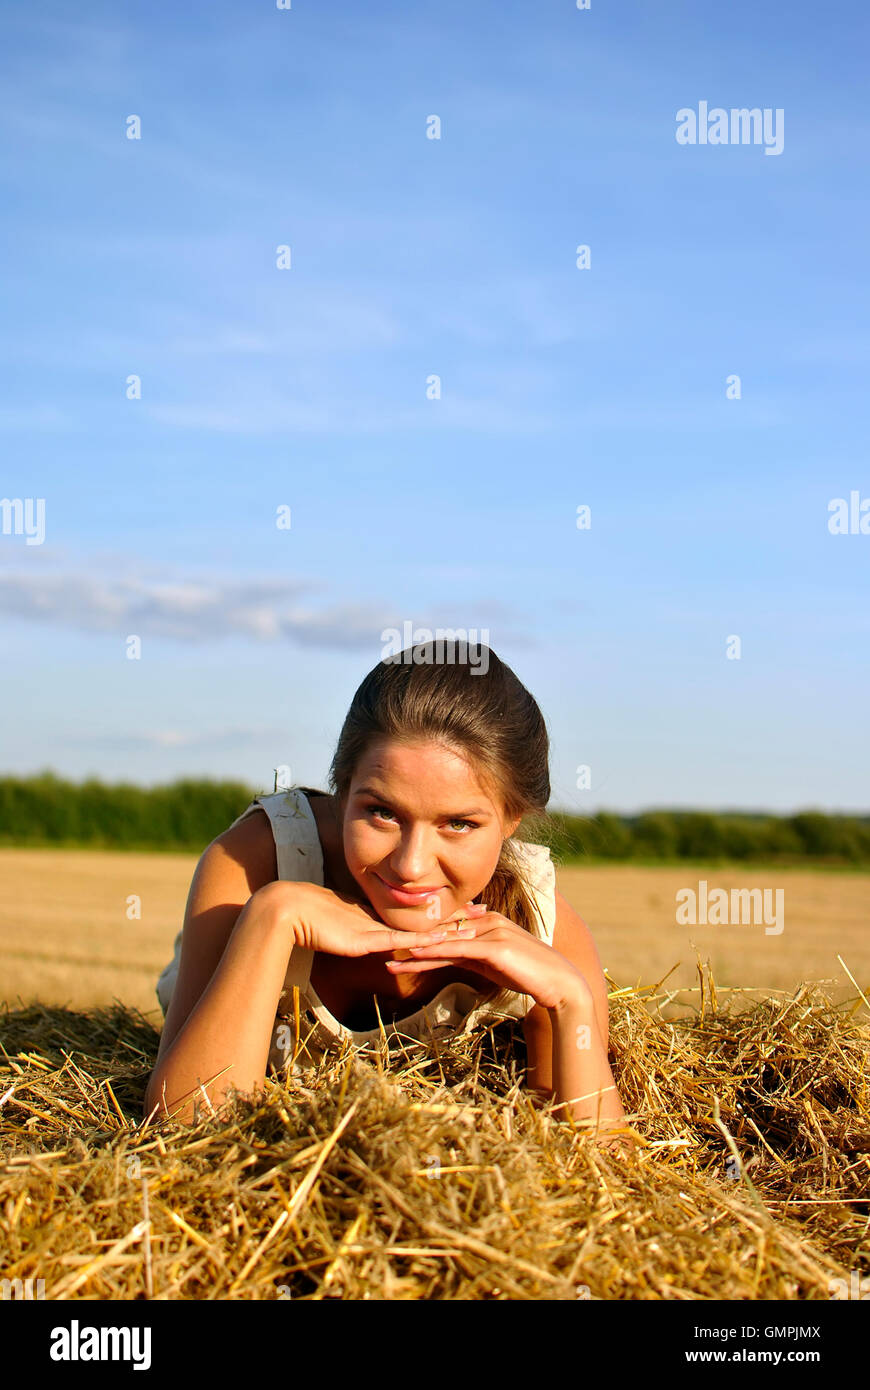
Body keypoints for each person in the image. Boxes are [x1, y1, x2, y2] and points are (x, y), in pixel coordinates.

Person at [144, 642, 629, 1143]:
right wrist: (273, 916)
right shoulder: (256, 863)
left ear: (512, 820)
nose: (411, 866)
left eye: (458, 823)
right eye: (381, 812)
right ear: (342, 789)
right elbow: (182, 1129)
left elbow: (600, 1167)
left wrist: (570, 1002)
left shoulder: (540, 922)